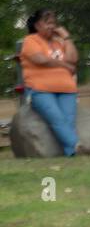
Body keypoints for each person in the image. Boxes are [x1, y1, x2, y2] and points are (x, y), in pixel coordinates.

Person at [19, 9, 79, 157]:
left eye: (54, 23)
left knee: (68, 122)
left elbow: (73, 59)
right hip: (40, 89)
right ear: (38, 25)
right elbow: (41, 60)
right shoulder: (30, 40)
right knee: (57, 119)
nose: (52, 26)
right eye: (48, 23)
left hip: (67, 89)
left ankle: (71, 154)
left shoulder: (59, 43)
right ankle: (77, 148)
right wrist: (64, 66)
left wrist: (67, 38)